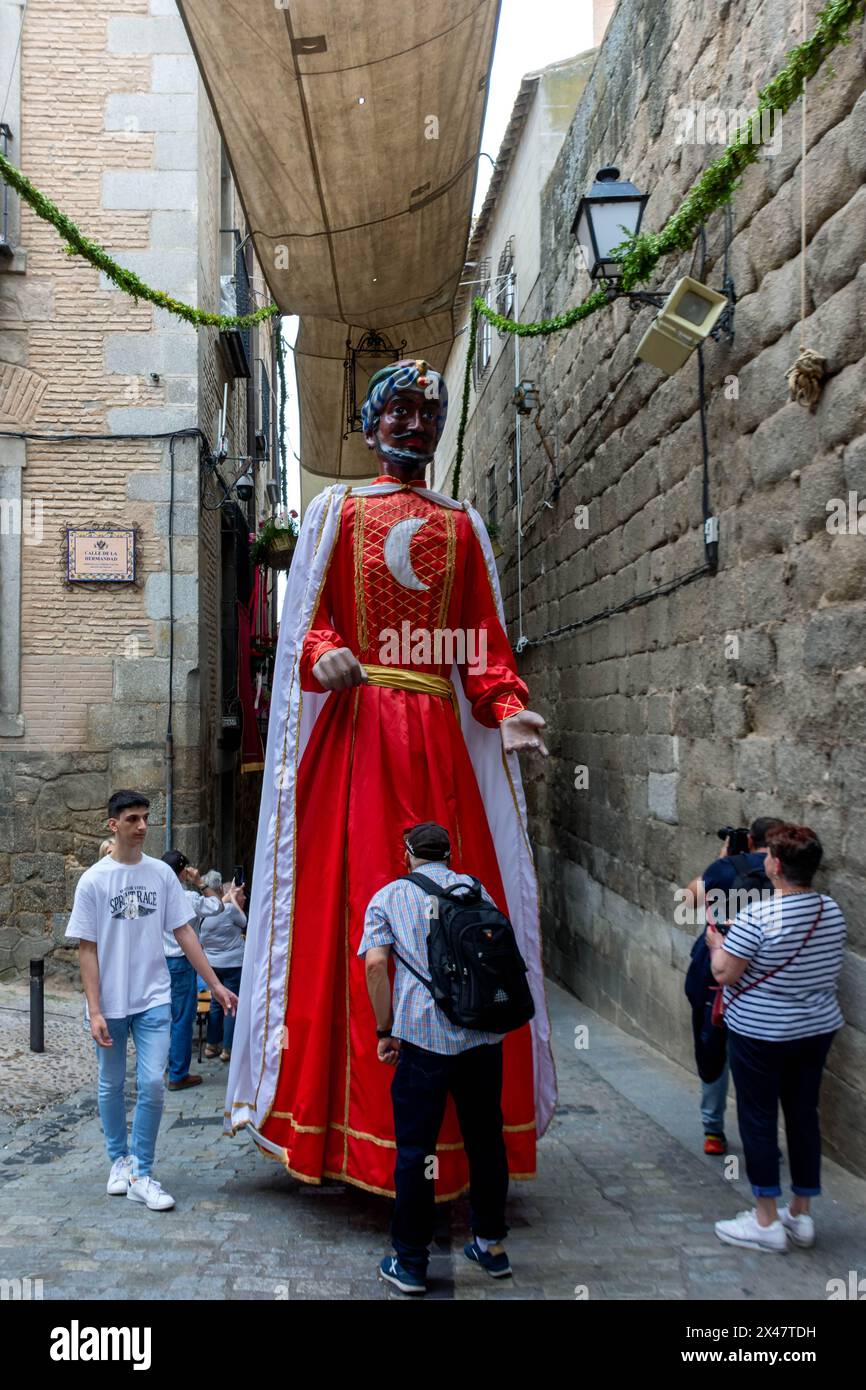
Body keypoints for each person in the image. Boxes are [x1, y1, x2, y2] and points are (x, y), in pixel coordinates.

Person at [224, 358, 556, 1198]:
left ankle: (454, 1133)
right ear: (372, 425)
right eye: (399, 411)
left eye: (427, 415)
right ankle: (340, 1128)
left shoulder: (464, 526)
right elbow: (308, 615)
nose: (414, 426)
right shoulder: (337, 512)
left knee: (454, 920)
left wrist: (505, 704)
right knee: (350, 911)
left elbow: (479, 638)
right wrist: (319, 654)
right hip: (360, 731)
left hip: (437, 738)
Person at [64, 791, 238, 1211]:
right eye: (132, 819)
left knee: (154, 1083)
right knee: (110, 1084)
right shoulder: (93, 881)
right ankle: (118, 1160)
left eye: (145, 818)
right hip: (111, 1001)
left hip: (154, 997)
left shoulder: (160, 875)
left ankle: (142, 1171)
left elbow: (184, 932)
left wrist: (213, 984)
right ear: (113, 825)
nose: (142, 826)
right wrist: (94, 1009)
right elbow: (87, 948)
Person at [359, 823, 511, 1295]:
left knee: (416, 1151)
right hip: (482, 1034)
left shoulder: (388, 897)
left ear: (407, 853)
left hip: (424, 1039)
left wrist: (385, 1030)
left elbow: (376, 965)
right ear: (450, 852)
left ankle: (411, 1262)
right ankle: (491, 1245)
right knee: (486, 1139)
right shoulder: (475, 888)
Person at [708, 824, 845, 1253]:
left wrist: (716, 944)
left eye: (769, 855)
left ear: (777, 865)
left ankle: (765, 1219)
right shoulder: (831, 910)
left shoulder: (757, 915)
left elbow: (725, 973)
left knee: (758, 1117)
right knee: (804, 1114)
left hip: (761, 1033)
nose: (764, 859)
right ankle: (800, 1214)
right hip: (816, 1027)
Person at [682, 817, 781, 1155]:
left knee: (712, 1048)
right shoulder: (785, 874)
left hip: (714, 971)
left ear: (749, 841)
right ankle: (764, 1138)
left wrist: (721, 859)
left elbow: (689, 900)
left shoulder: (724, 868)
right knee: (759, 1058)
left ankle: (713, 1131)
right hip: (765, 975)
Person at [161, 851, 241, 1091]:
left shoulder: (156, 896)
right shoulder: (188, 898)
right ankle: (177, 1073)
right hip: (182, 961)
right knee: (183, 1019)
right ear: (183, 872)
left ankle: (162, 1067)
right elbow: (217, 906)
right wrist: (200, 882)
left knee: (162, 1017)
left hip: (160, 961)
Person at [199, 871, 247, 1062]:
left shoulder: (201, 912)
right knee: (231, 1004)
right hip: (233, 963)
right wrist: (234, 900)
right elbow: (244, 922)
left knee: (216, 1003)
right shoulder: (228, 909)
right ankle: (228, 1048)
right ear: (220, 889)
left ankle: (211, 1044)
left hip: (212, 963)